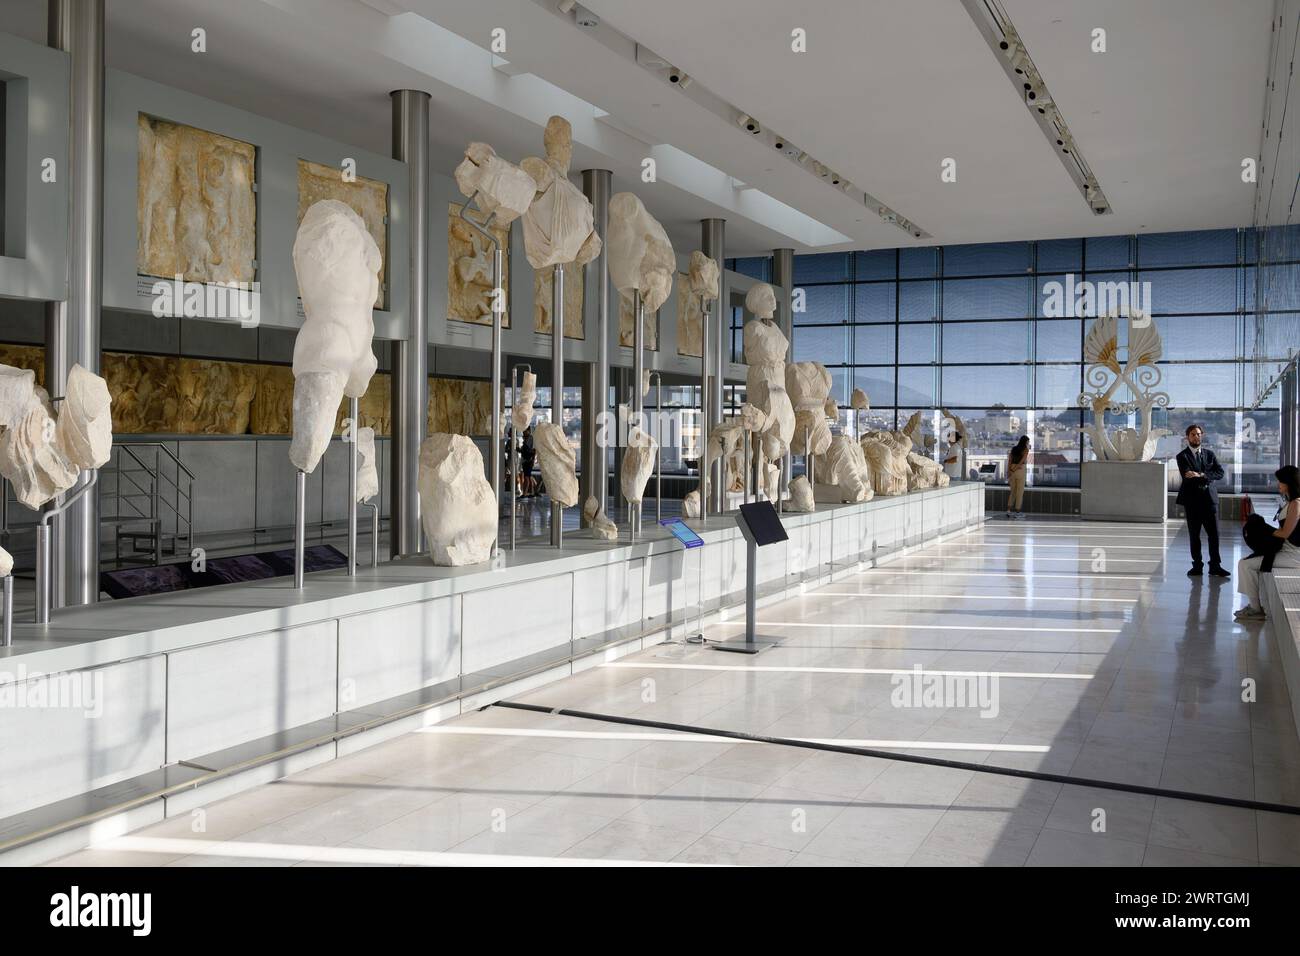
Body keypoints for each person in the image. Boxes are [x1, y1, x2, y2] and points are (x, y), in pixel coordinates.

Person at [1234, 465, 1300, 621]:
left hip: (1293, 555)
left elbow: (1285, 533)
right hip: (1285, 549)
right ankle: (1255, 607)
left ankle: (1256, 609)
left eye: (1281, 482)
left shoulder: (1296, 504)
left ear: (1289, 483)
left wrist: (1263, 528)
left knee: (1245, 564)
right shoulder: (1291, 502)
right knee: (1245, 563)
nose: (1278, 484)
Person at [1175, 424, 1229, 578]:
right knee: (1194, 535)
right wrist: (1205, 475)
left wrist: (1200, 475)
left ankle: (1215, 566)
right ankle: (1197, 566)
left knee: (1214, 535)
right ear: (1187, 437)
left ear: (1202, 435)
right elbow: (1187, 476)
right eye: (1193, 434)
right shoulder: (1182, 456)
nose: (1196, 437)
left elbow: (1219, 473)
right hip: (1192, 502)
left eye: (1198, 434)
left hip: (1209, 501)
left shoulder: (1210, 454)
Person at [1006, 436, 1029, 518]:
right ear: (1025, 442)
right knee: (1019, 491)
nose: (1028, 444)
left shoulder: (1014, 449)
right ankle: (1017, 511)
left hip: (1012, 469)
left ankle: (1008, 510)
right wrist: (1015, 469)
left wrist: (1009, 471)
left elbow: (1010, 460)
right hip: (1020, 470)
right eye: (1027, 442)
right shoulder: (1025, 449)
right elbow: (1021, 461)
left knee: (1012, 491)